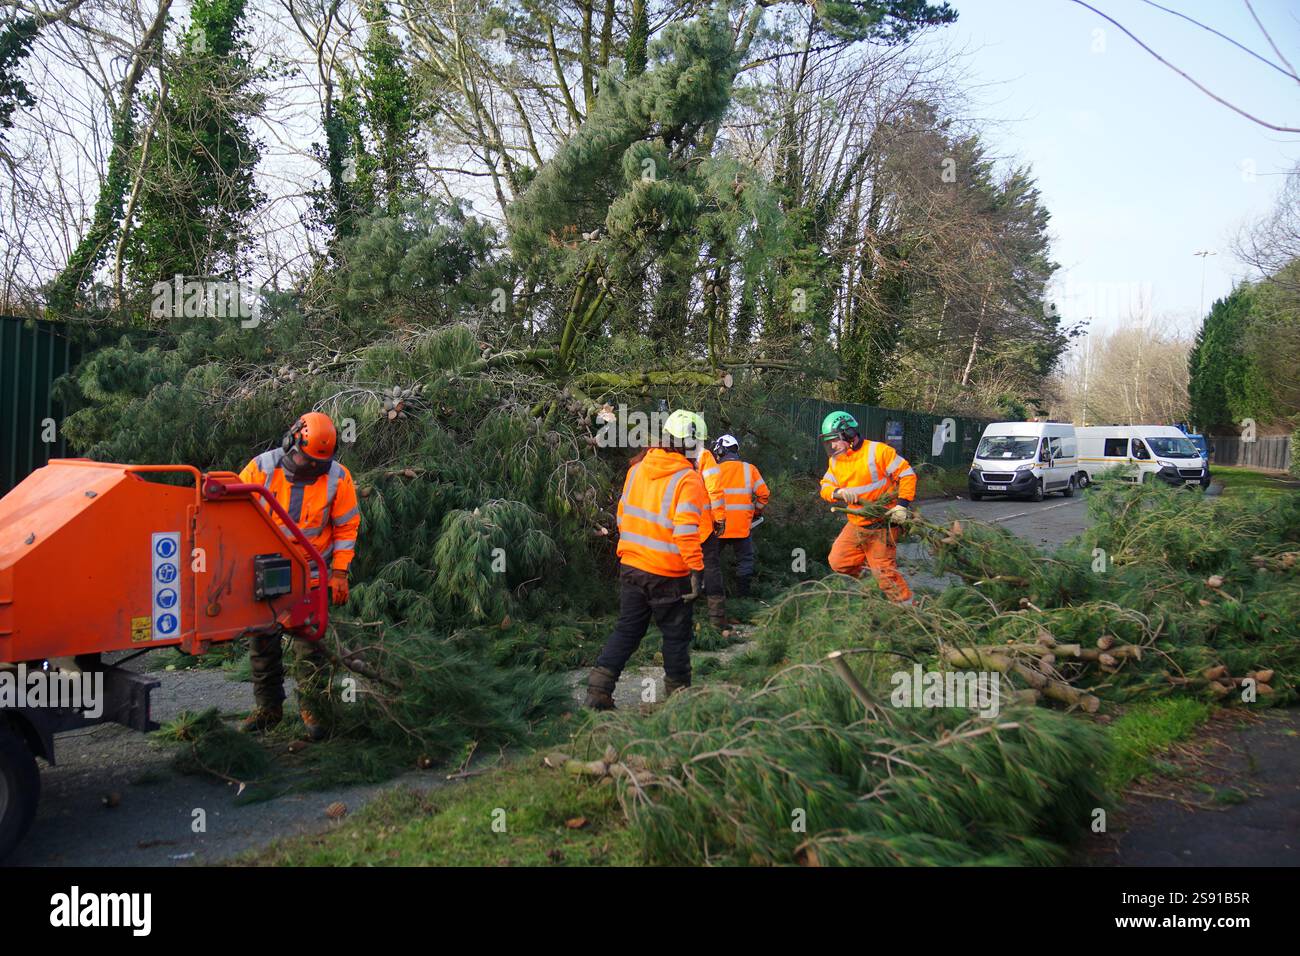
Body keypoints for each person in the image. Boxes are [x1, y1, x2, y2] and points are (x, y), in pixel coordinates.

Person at [237, 412, 360, 739]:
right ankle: (268, 708)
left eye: (317, 463)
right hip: (267, 566)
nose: (311, 468)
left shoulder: (337, 477)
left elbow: (346, 526)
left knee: (310, 645)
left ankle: (313, 710)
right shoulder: (261, 468)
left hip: (311, 571)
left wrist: (339, 571)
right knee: (263, 641)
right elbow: (234, 513)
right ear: (292, 440)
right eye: (306, 460)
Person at [585, 409, 711, 710]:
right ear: (689, 444)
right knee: (676, 635)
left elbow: (621, 517)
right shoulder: (689, 479)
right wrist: (696, 569)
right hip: (669, 574)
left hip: (631, 567)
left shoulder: (637, 469)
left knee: (628, 629)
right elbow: (684, 531)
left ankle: (598, 690)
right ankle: (680, 700)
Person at [818, 411, 917, 602]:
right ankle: (872, 583)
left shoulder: (878, 451)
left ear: (848, 434)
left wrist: (902, 505)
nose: (832, 445)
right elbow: (825, 486)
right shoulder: (836, 460)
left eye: (834, 440)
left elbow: (907, 474)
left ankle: (908, 609)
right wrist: (837, 493)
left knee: (885, 574)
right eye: (828, 441)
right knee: (838, 561)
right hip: (856, 524)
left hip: (883, 524)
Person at [700, 434, 769, 629]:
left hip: (717, 527)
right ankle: (743, 597)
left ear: (720, 451)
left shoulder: (713, 470)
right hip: (742, 528)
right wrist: (754, 511)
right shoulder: (750, 469)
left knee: (711, 563)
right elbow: (764, 495)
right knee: (745, 562)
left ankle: (706, 596)